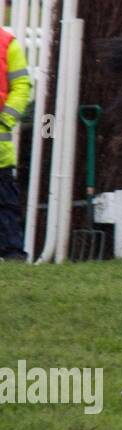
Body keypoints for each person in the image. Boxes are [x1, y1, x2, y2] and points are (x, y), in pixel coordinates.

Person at [0, 25, 31, 261]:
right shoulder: (7, 41)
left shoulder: (7, 43)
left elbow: (22, 88)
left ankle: (13, 253)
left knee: (6, 206)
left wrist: (5, 120)